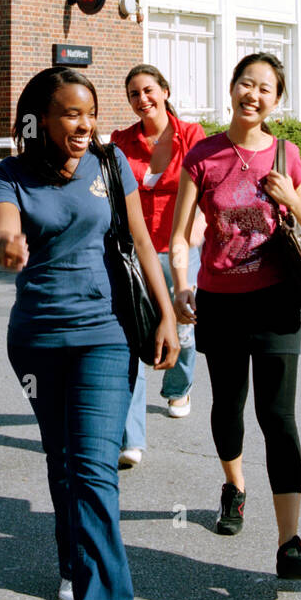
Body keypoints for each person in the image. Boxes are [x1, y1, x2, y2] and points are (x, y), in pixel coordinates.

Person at [0, 67, 179, 600]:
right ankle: (73, 561)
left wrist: (167, 311)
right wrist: (7, 244)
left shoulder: (110, 161)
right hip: (38, 339)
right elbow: (1, 227)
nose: (84, 123)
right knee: (62, 460)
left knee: (95, 469)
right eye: (71, 113)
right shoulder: (11, 174)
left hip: (106, 332)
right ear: (42, 118)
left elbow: (141, 239)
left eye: (90, 112)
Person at [170, 53, 301, 578]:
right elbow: (182, 233)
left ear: (277, 100)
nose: (253, 94)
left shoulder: (286, 154)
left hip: (276, 300)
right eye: (246, 84)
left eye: (266, 89)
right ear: (231, 88)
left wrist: (288, 197)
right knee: (228, 407)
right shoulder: (203, 155)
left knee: (277, 418)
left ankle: (289, 539)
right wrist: (181, 286)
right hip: (221, 301)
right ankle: (234, 487)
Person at [111, 65, 207, 466]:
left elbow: (204, 188)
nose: (142, 99)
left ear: (165, 92)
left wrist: (194, 233)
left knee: (182, 329)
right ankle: (130, 439)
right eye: (134, 94)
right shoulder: (120, 141)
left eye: (148, 90)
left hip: (180, 246)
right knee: (131, 337)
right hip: (135, 250)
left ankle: (178, 387)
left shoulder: (192, 136)